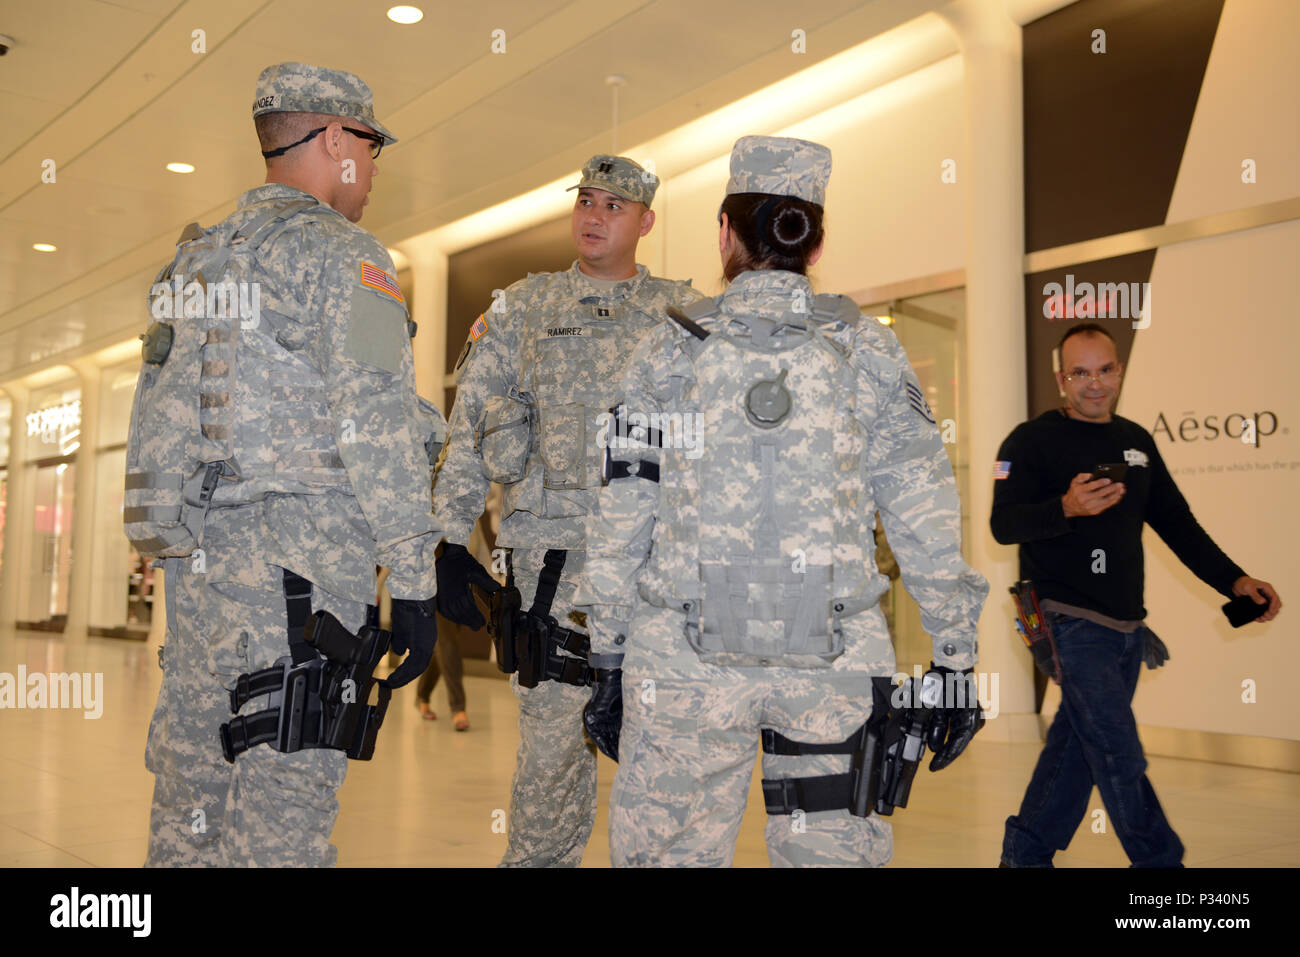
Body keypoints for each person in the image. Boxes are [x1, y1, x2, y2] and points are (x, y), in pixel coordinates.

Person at [575, 135, 989, 867]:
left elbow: (620, 513)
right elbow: (925, 515)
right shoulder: (868, 352)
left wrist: (606, 656)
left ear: (726, 233)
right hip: (832, 657)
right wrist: (954, 658)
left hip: (682, 659)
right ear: (817, 243)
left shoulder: (668, 354)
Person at [134, 62, 439, 867]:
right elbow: (372, 421)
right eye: (372, 148)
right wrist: (413, 578)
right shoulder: (344, 256)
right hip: (299, 595)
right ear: (336, 139)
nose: (373, 171)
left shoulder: (195, 262)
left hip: (201, 584)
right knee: (281, 823)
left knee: (189, 809)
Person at [433, 155, 701, 867]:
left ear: (646, 221)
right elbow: (466, 430)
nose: (593, 214)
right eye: (585, 200)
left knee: (665, 768)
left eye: (614, 205)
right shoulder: (523, 308)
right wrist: (447, 542)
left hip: (654, 577)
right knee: (550, 764)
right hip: (551, 580)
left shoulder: (684, 316)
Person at [992, 322, 1281, 868]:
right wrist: (1066, 508)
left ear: (1119, 370)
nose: (1094, 384)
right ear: (1061, 379)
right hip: (1065, 623)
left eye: (1104, 370)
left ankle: (1023, 859)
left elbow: (1178, 523)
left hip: (1127, 631)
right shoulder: (1027, 442)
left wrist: (1235, 581)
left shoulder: (1136, 442)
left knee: (1076, 751)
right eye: (1080, 373)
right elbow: (1002, 526)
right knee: (1118, 753)